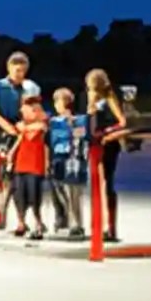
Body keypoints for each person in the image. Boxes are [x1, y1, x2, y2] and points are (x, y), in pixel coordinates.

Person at [0, 52, 40, 228]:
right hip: (0, 135)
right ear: (9, 68)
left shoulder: (30, 88)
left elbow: (33, 112)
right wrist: (5, 126)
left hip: (20, 135)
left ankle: (11, 216)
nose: (20, 74)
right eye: (17, 70)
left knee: (14, 177)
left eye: (23, 71)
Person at [87, 69, 128, 243]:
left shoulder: (109, 98)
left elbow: (121, 121)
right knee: (98, 185)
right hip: (94, 144)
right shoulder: (88, 97)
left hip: (109, 144)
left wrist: (107, 132)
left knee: (106, 184)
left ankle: (109, 228)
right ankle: (99, 226)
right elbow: (88, 119)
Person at [48, 88, 89, 238]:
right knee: (59, 192)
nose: (56, 105)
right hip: (57, 159)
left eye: (58, 101)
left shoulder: (80, 120)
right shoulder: (52, 122)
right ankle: (64, 221)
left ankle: (77, 224)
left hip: (73, 161)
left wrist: (71, 125)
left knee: (74, 193)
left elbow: (80, 138)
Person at [12, 94, 49, 239]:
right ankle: (21, 222)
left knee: (35, 196)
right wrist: (11, 154)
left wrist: (25, 127)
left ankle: (38, 223)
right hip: (21, 163)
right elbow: (19, 137)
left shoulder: (42, 125)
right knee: (19, 194)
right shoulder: (22, 126)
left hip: (35, 165)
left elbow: (39, 128)